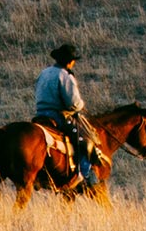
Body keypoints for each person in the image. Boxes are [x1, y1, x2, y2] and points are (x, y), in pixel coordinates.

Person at [35, 42, 101, 190]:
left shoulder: (44, 73)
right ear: (70, 61)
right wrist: (80, 106)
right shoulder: (65, 76)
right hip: (58, 115)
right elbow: (73, 103)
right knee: (85, 139)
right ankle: (82, 174)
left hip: (40, 114)